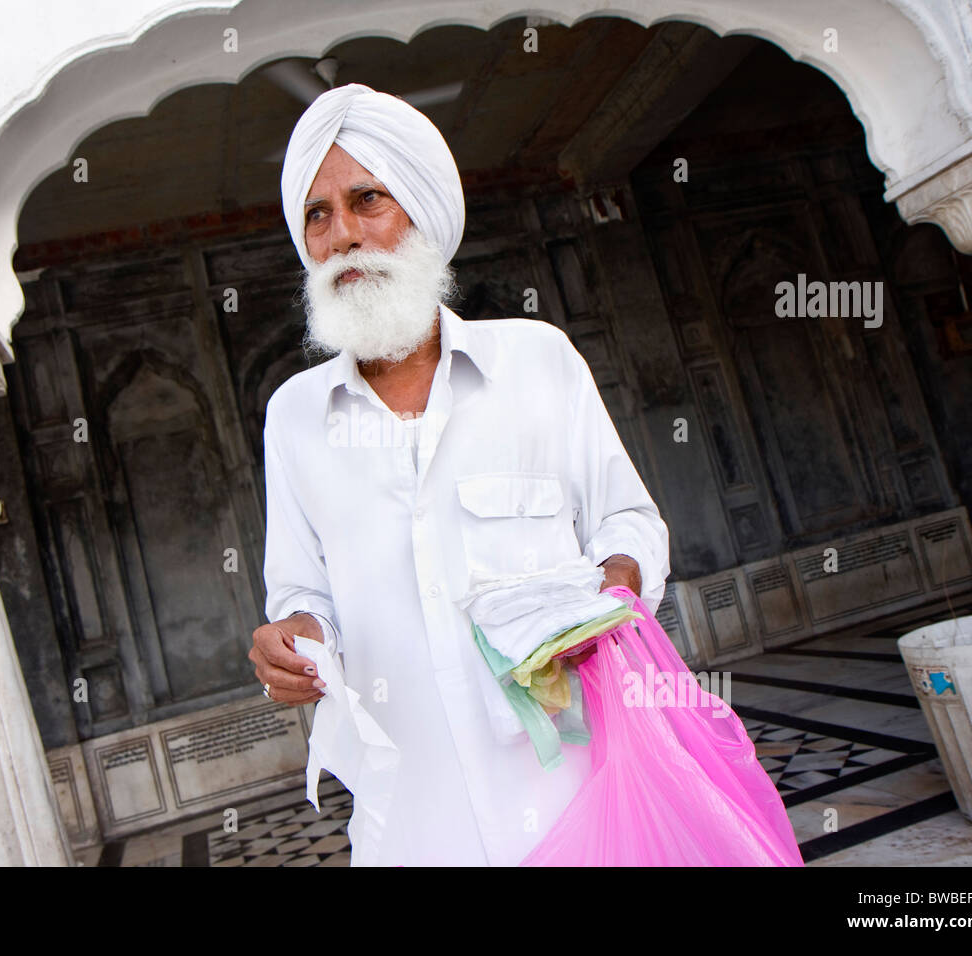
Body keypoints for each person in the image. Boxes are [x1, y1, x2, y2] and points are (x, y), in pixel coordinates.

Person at [248, 83, 670, 866]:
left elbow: (629, 523)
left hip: (582, 798)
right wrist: (295, 640)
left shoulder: (537, 361)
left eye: (367, 199)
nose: (343, 235)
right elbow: (303, 596)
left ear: (420, 213)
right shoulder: (295, 416)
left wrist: (604, 601)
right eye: (318, 213)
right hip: (414, 824)